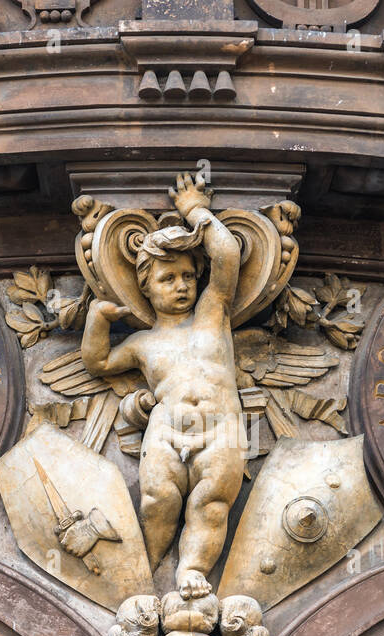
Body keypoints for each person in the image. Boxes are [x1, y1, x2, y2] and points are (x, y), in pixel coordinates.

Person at [81, 171, 244, 599]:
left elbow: (226, 257)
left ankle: (192, 569)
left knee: (209, 504)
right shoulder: (142, 343)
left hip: (220, 430)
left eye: (189, 276)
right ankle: (147, 567)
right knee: (157, 501)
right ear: (146, 288)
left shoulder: (213, 312)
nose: (182, 286)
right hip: (166, 432)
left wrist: (195, 209)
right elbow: (97, 363)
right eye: (167, 279)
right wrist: (97, 320)